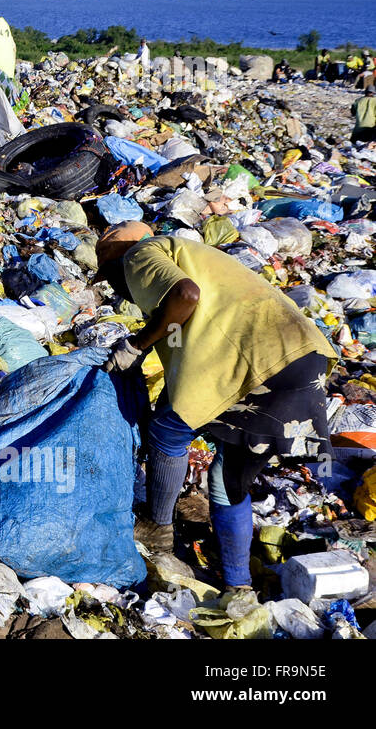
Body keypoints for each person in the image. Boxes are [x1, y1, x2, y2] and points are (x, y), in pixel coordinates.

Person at [94, 222, 336, 590]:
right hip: (302, 357)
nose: (116, 289)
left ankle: (158, 528)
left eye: (109, 278)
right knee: (229, 481)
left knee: (166, 429)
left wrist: (135, 346)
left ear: (114, 263)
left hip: (260, 363)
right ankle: (238, 586)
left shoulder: (139, 255)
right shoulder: (194, 254)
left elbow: (186, 296)